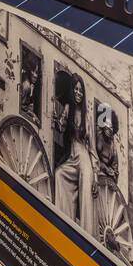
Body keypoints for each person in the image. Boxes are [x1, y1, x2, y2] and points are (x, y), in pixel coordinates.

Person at [52, 75, 96, 230]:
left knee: (86, 196)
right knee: (58, 174)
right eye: (76, 89)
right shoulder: (68, 108)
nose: (78, 93)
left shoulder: (87, 116)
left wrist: (95, 175)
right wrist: (55, 120)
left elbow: (92, 148)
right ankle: (64, 221)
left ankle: (87, 234)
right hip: (72, 158)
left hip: (84, 159)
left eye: (81, 90)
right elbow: (61, 126)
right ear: (72, 91)